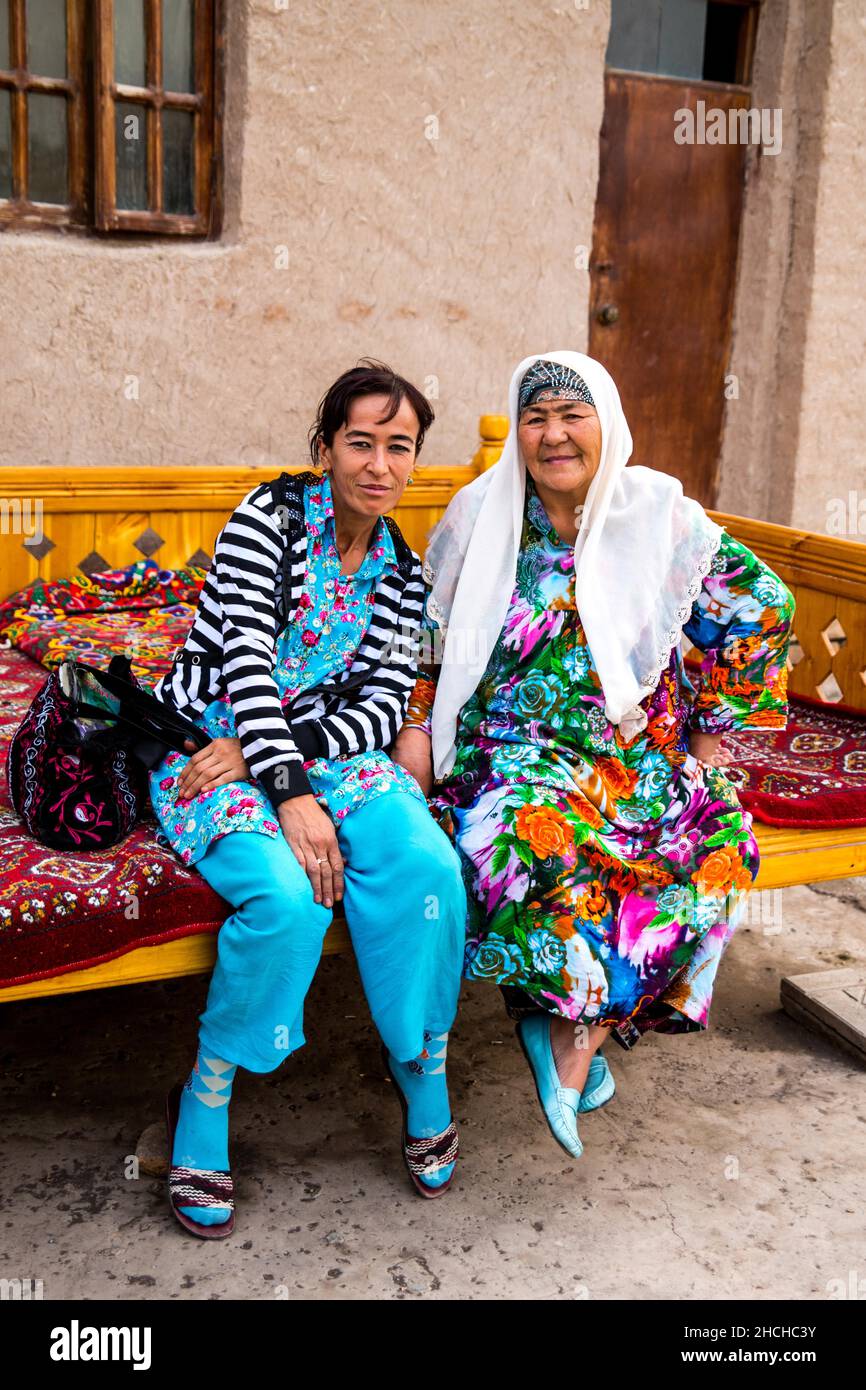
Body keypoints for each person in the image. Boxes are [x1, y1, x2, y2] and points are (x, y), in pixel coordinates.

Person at [392, 350, 794, 1160]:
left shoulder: (658, 515)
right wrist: (416, 731)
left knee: (718, 846)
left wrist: (709, 733)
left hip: (625, 750)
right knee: (518, 841)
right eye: (536, 417)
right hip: (508, 747)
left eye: (572, 416)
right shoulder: (482, 515)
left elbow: (764, 605)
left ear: (605, 424)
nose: (553, 435)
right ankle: (564, 1029)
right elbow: (425, 643)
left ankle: (574, 1033)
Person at [149, 361, 467, 1236]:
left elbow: (379, 701)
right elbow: (246, 660)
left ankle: (421, 1057)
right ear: (325, 446)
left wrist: (287, 766)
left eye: (398, 447)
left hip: (314, 750)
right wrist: (277, 782)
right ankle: (208, 1088)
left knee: (426, 861)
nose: (379, 464)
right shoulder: (270, 519)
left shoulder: (405, 570)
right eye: (360, 441)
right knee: (287, 897)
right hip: (215, 737)